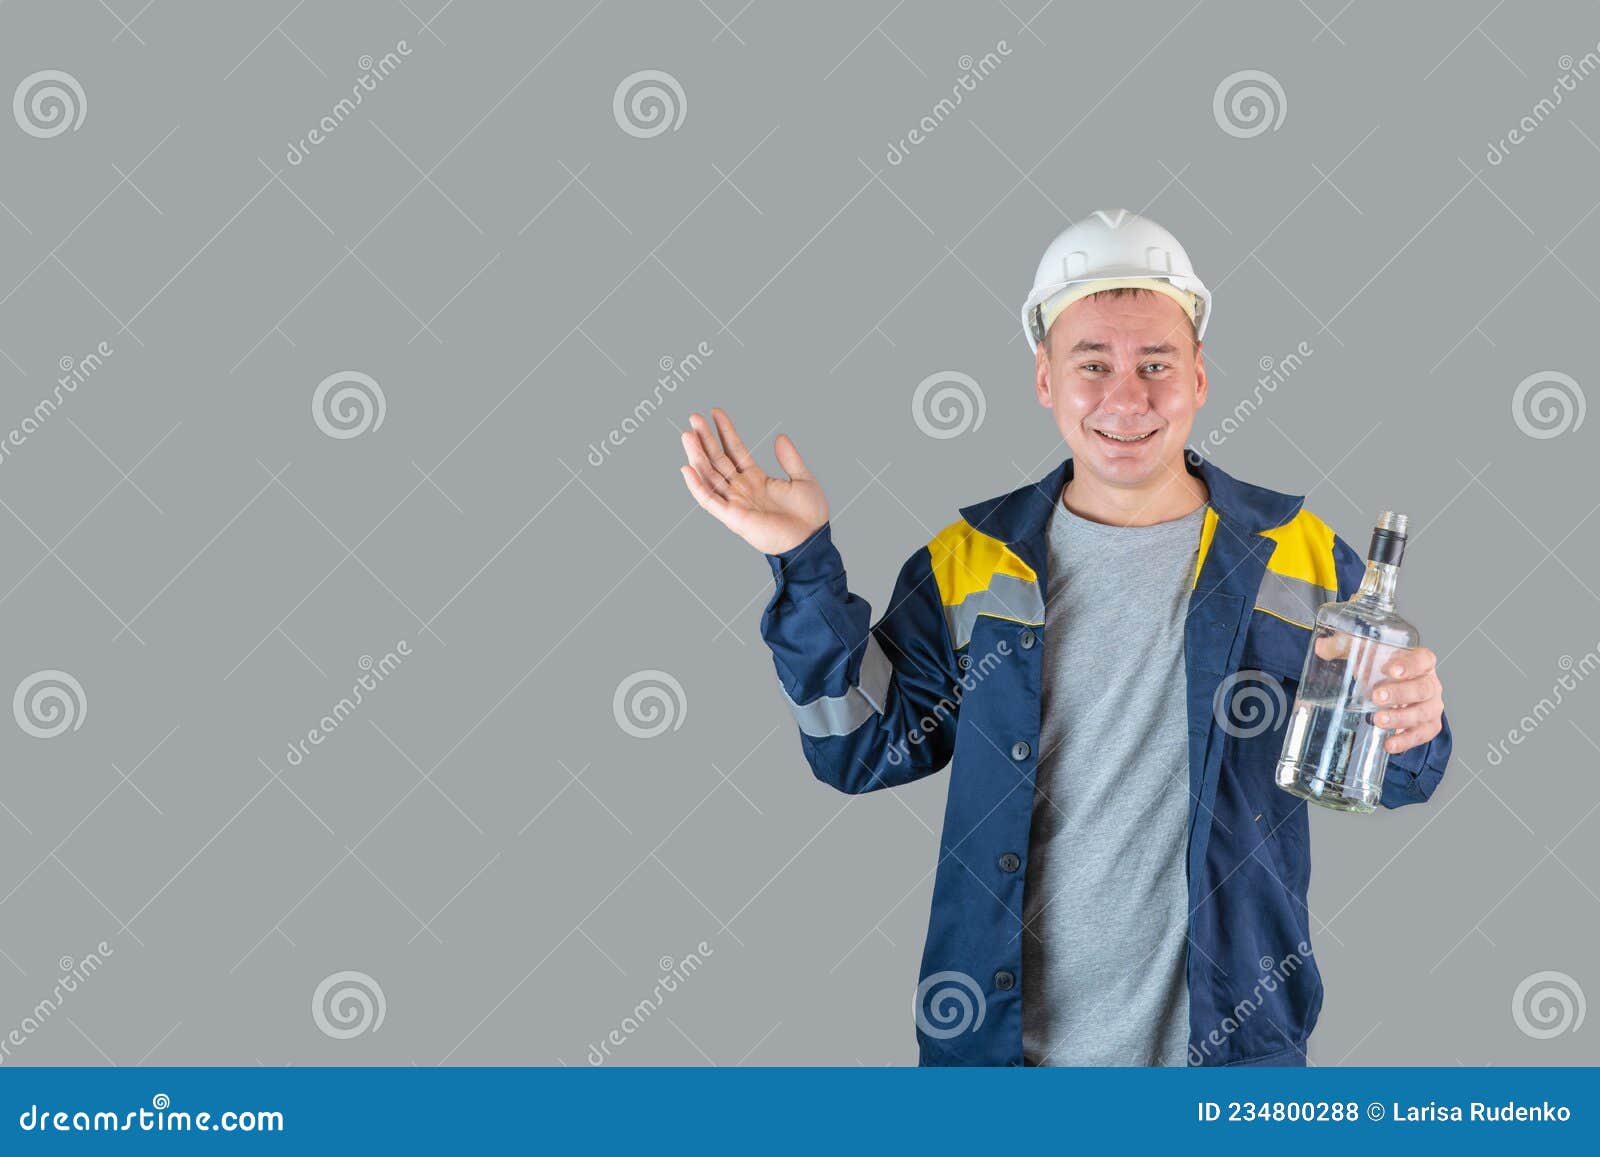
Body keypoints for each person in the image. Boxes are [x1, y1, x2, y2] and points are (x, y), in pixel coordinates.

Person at [678, 210, 1451, 1067]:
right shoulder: (969, 563)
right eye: (1093, 364)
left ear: (1199, 375)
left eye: (1157, 364)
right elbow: (860, 747)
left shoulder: (1301, 557)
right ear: (1045, 380)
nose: (1128, 397)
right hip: (1000, 1065)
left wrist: (1415, 725)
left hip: (1231, 1061)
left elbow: (1394, 766)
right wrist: (802, 562)